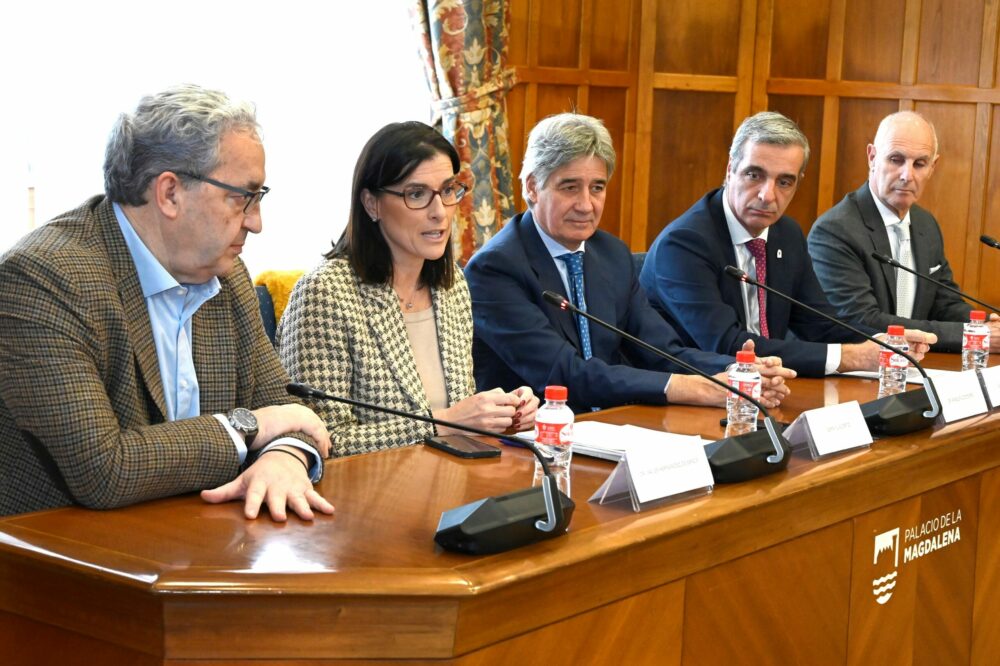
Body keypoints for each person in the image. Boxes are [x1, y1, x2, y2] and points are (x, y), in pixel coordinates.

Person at [0, 85, 333, 520]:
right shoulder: (44, 280)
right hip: (62, 565)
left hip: (200, 547)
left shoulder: (224, 276)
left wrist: (284, 457)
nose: (256, 222)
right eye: (242, 197)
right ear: (170, 193)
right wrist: (251, 426)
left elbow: (289, 413)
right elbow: (105, 470)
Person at [464, 113, 794, 414]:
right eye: (569, 187)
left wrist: (737, 372)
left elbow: (662, 351)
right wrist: (694, 388)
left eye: (597, 188)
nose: (586, 204)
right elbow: (565, 374)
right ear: (533, 187)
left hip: (612, 425)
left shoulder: (610, 255)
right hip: (530, 440)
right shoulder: (495, 269)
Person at [278, 121, 538, 456]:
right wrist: (443, 422)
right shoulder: (325, 293)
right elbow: (319, 441)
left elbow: (460, 417)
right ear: (371, 205)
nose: (439, 213)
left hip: (451, 484)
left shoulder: (452, 286)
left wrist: (502, 414)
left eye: (447, 191)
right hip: (363, 499)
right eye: (416, 195)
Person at [640, 111, 935, 378]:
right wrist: (849, 357)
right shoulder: (684, 244)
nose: (767, 195)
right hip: (692, 394)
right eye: (754, 175)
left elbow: (819, 323)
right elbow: (728, 345)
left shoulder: (786, 234)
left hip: (768, 387)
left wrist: (884, 342)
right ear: (730, 169)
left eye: (784, 182)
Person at [808, 110, 998, 352]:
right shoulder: (835, 230)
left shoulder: (925, 224)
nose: (907, 175)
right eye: (896, 159)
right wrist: (974, 336)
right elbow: (862, 320)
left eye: (920, 163)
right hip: (856, 373)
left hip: (914, 366)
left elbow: (944, 304)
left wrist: (985, 323)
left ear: (933, 167)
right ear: (872, 157)